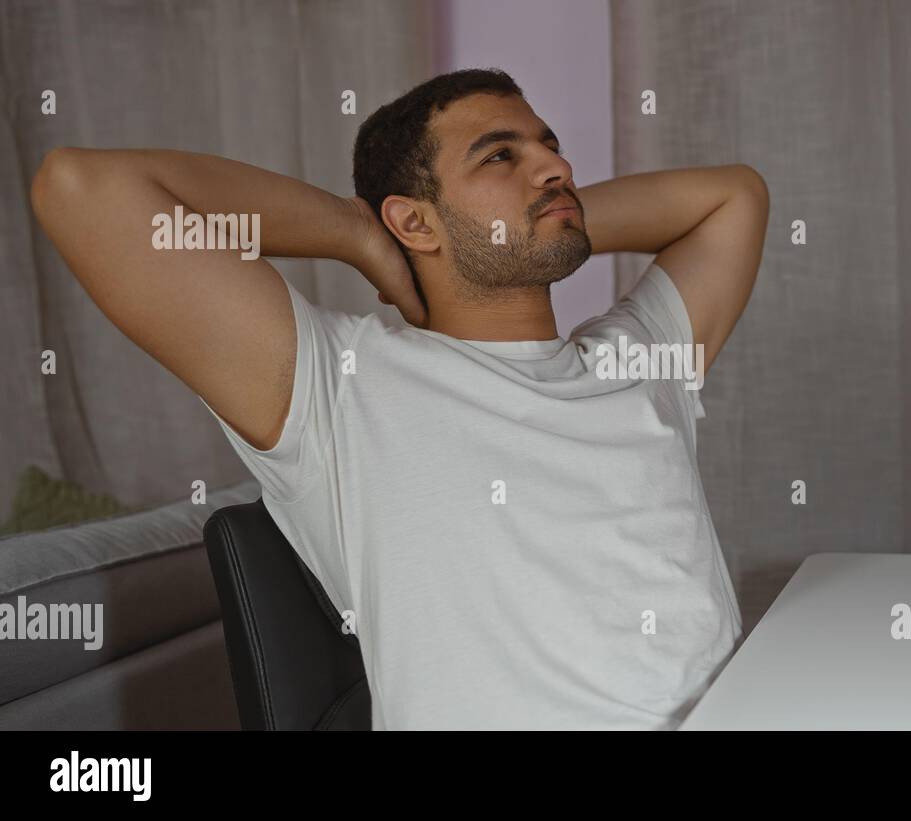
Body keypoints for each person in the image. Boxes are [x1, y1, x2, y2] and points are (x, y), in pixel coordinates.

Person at [30, 68, 769, 730]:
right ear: (412, 219)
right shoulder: (337, 383)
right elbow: (80, 189)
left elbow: (736, 197)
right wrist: (360, 234)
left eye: (550, 146)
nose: (557, 164)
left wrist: (537, 220)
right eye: (501, 155)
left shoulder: (643, 357)